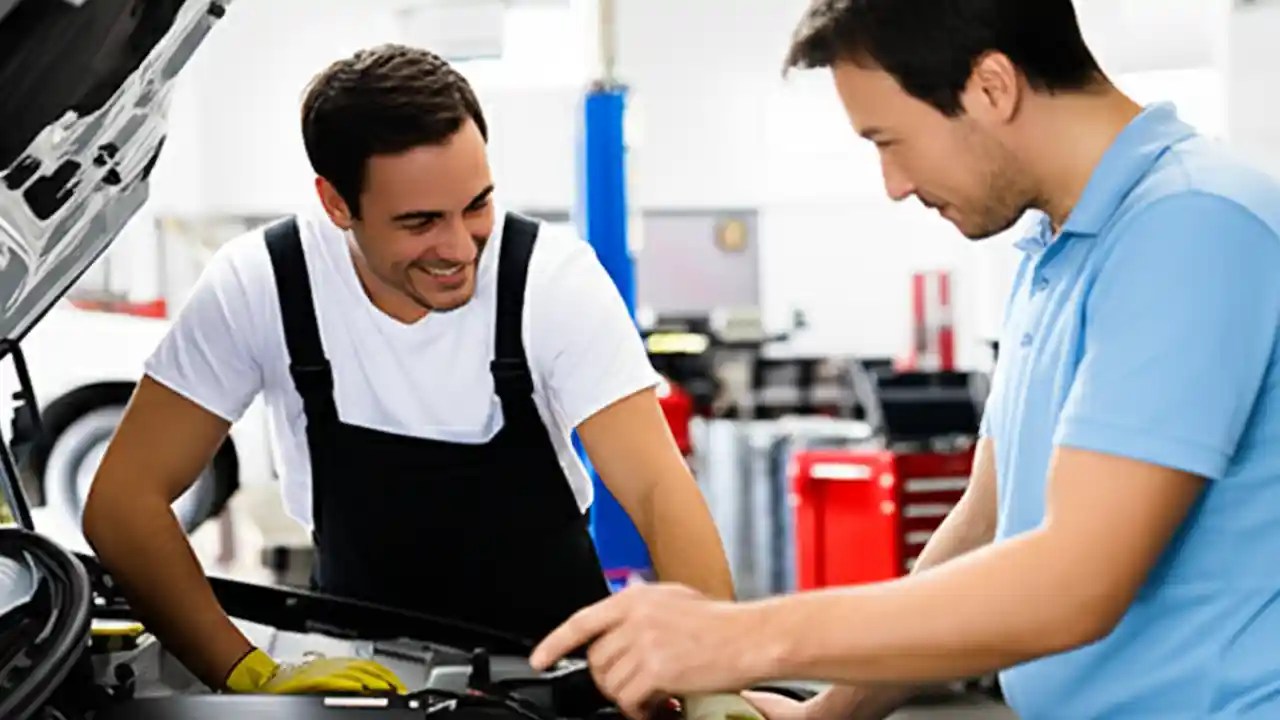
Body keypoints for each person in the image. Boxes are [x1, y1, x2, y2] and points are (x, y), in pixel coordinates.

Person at [528, 1, 1280, 719]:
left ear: (992, 86)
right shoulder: (1056, 247)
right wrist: (832, 713)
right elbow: (986, 519)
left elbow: (1077, 581)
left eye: (888, 141)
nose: (893, 185)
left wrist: (740, 636)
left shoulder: (1192, 225)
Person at [82, 43, 733, 696]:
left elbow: (656, 489)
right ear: (337, 204)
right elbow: (122, 503)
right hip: (358, 678)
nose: (459, 247)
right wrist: (249, 672)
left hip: (559, 678)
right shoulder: (262, 285)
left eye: (476, 205)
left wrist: (714, 685)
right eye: (420, 222)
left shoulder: (552, 280)